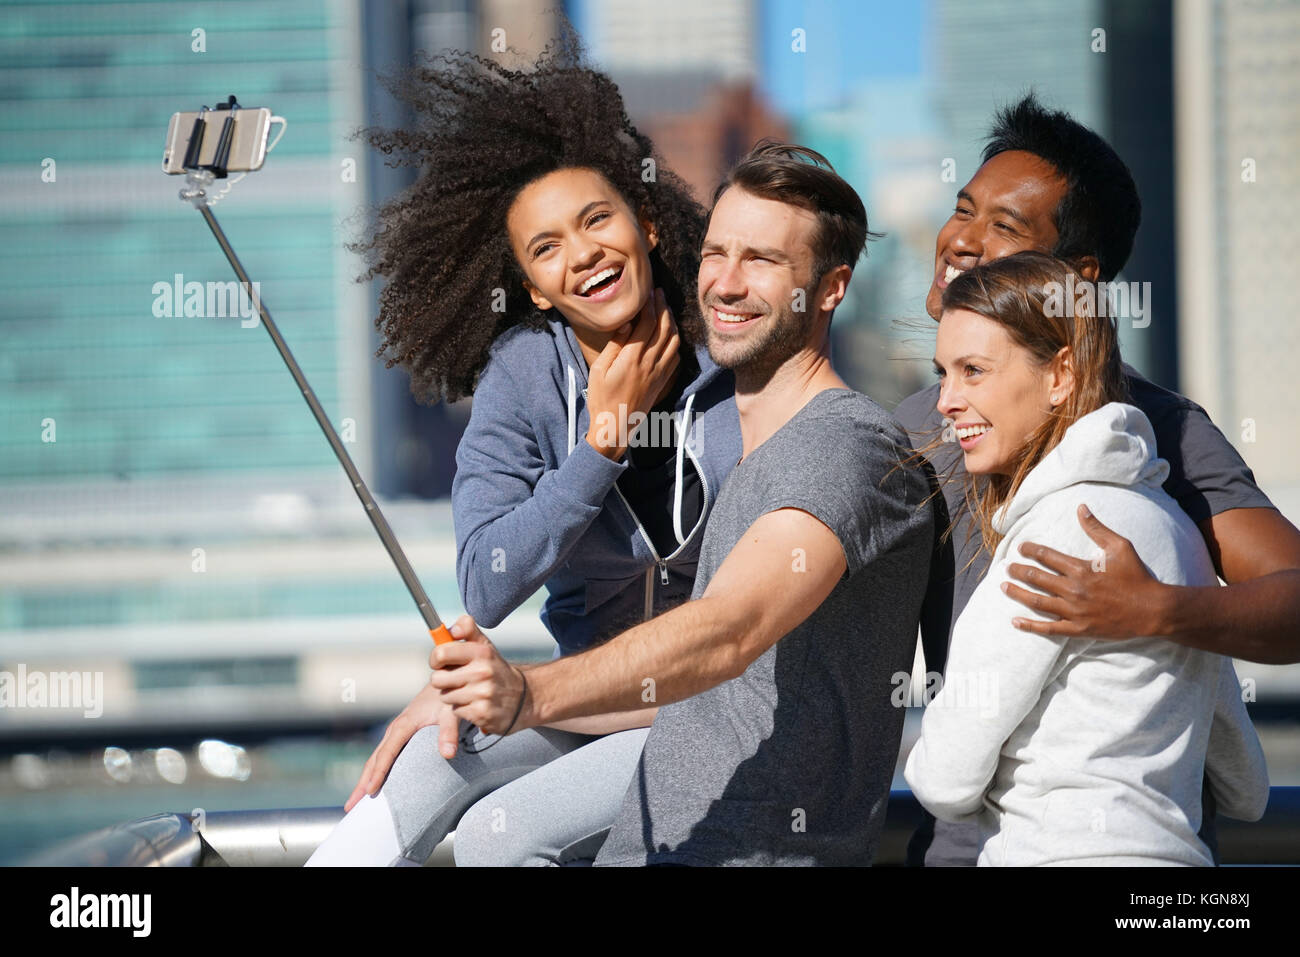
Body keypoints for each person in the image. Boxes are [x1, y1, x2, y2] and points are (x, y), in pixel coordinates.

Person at [428, 141, 934, 866]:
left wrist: (527, 692)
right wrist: (477, 696)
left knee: (496, 833)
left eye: (760, 260)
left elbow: (728, 632)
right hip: (658, 831)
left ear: (829, 289)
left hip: (753, 848)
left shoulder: (842, 448)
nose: (725, 283)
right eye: (717, 254)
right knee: (434, 772)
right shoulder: (746, 447)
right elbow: (690, 688)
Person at [306, 38, 741, 867]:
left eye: (597, 220)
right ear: (535, 288)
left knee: (499, 838)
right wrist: (598, 448)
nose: (581, 255)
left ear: (645, 222)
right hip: (586, 694)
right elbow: (486, 583)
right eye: (546, 249)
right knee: (422, 766)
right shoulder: (523, 375)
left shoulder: (729, 357)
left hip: (712, 701)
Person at [893, 93, 1300, 867]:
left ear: (1076, 283)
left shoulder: (1165, 429)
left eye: (1005, 228)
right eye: (965, 209)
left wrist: (1159, 609)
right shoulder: (910, 430)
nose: (963, 242)